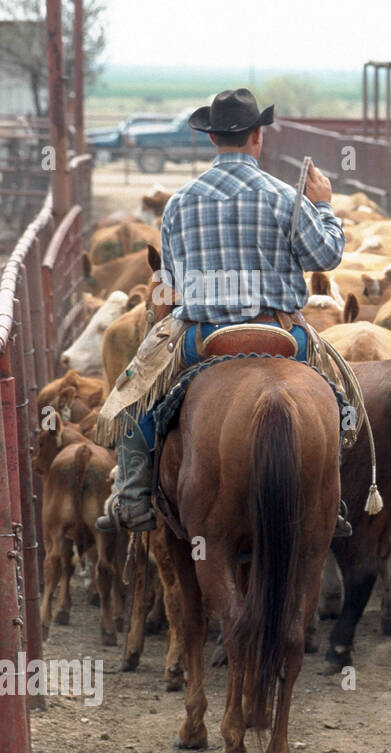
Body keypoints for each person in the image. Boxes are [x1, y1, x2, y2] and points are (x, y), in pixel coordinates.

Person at [95, 88, 347, 534]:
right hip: (283, 332)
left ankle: (132, 495)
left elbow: (169, 281)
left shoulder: (180, 201)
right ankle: (333, 498)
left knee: (136, 397)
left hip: (201, 338)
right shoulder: (286, 198)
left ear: (212, 139)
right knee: (341, 399)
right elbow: (325, 257)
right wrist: (323, 204)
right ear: (258, 136)